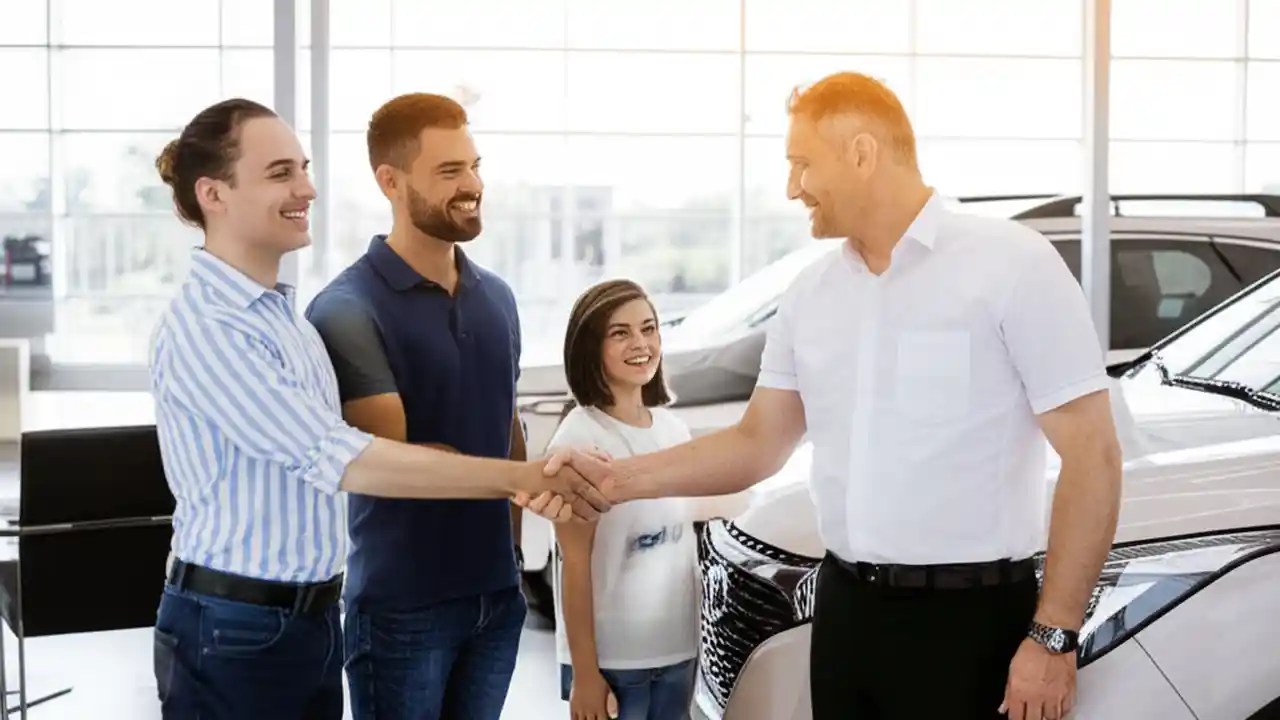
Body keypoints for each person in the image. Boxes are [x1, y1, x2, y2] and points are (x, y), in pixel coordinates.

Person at [546, 72, 1124, 720]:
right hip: (847, 612)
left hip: (970, 622)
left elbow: (1093, 454)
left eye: (802, 164)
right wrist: (613, 480)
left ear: (861, 152)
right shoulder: (812, 293)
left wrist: (1053, 635)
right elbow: (757, 443)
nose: (792, 187)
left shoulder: (1012, 264)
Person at [148, 98, 607, 720]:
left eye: (304, 168)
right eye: (281, 173)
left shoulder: (285, 321)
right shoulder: (209, 326)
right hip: (236, 628)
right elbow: (344, 458)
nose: (307, 187)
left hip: (305, 620)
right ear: (214, 194)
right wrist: (521, 479)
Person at [304, 92, 535, 720]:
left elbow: (505, 424)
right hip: (406, 608)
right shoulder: (346, 310)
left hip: (497, 596)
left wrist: (510, 561)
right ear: (390, 181)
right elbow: (402, 465)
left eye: (475, 165)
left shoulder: (499, 298)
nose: (473, 185)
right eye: (449, 171)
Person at [547, 280, 699, 720]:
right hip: (614, 663)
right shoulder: (580, 435)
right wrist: (585, 674)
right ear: (590, 347)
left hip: (678, 652)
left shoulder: (673, 430)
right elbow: (573, 565)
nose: (641, 343)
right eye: (621, 333)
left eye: (649, 329)